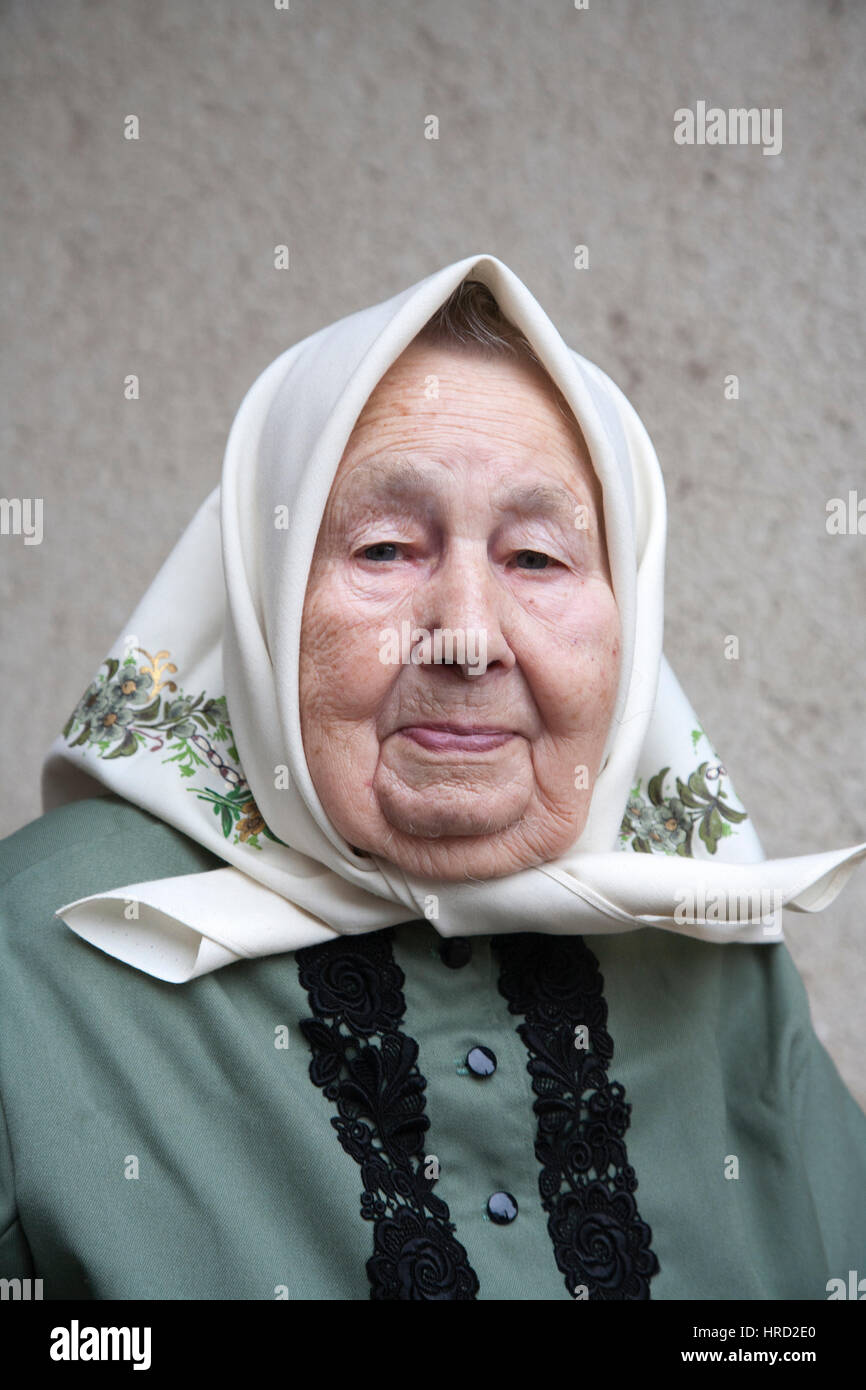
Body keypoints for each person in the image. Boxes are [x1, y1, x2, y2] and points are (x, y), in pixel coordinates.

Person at [2, 254, 865, 1301]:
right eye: (384, 548)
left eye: (536, 559)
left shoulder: (713, 954)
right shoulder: (38, 962)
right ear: (265, 597)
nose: (465, 637)